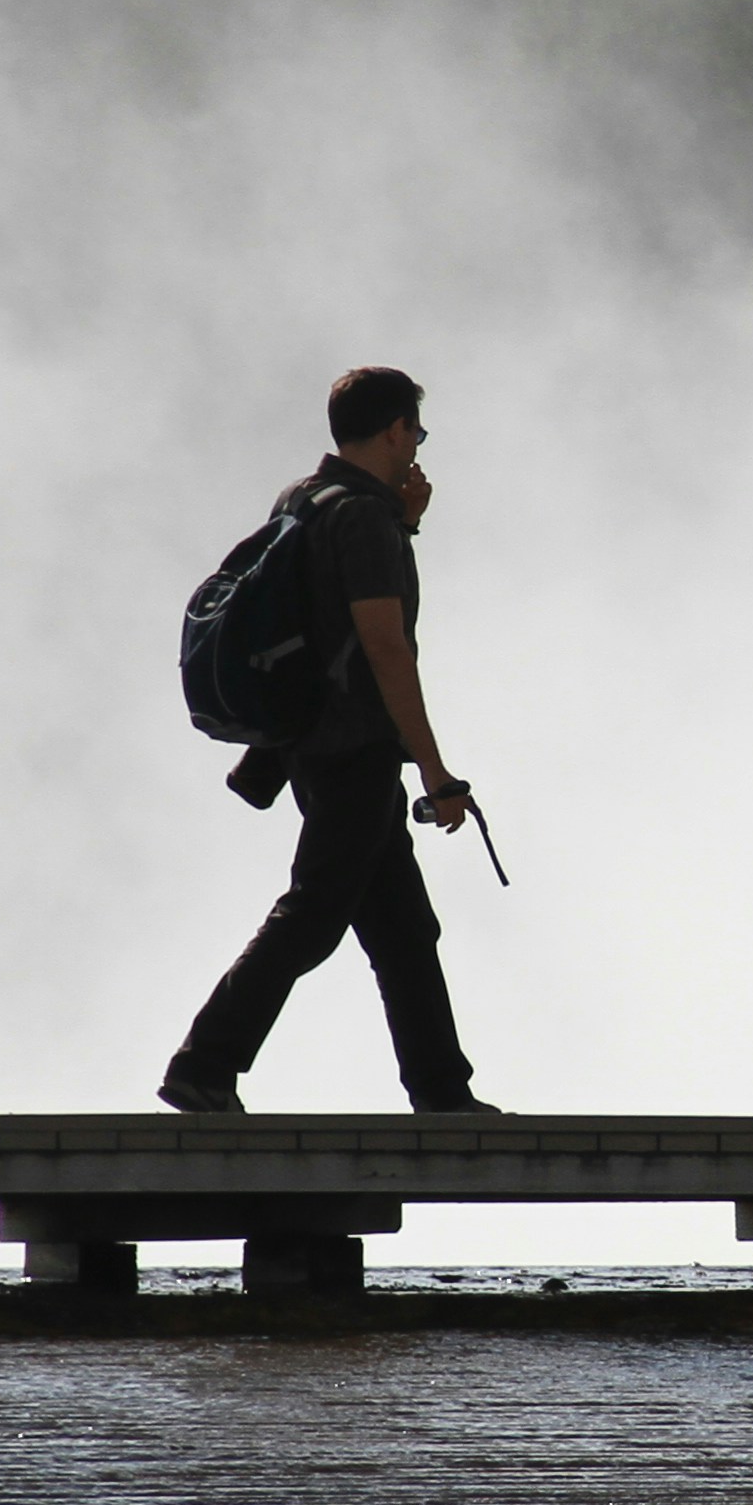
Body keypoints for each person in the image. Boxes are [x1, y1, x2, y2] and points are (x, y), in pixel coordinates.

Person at [161, 366, 493, 1116]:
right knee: (312, 916)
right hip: (354, 752)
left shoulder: (305, 500)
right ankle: (204, 1062)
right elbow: (383, 647)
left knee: (405, 929)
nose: (416, 448)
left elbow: (328, 621)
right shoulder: (364, 520)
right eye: (416, 432)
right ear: (394, 430)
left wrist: (405, 523)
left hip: (307, 747)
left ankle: (443, 1093)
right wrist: (436, 774)